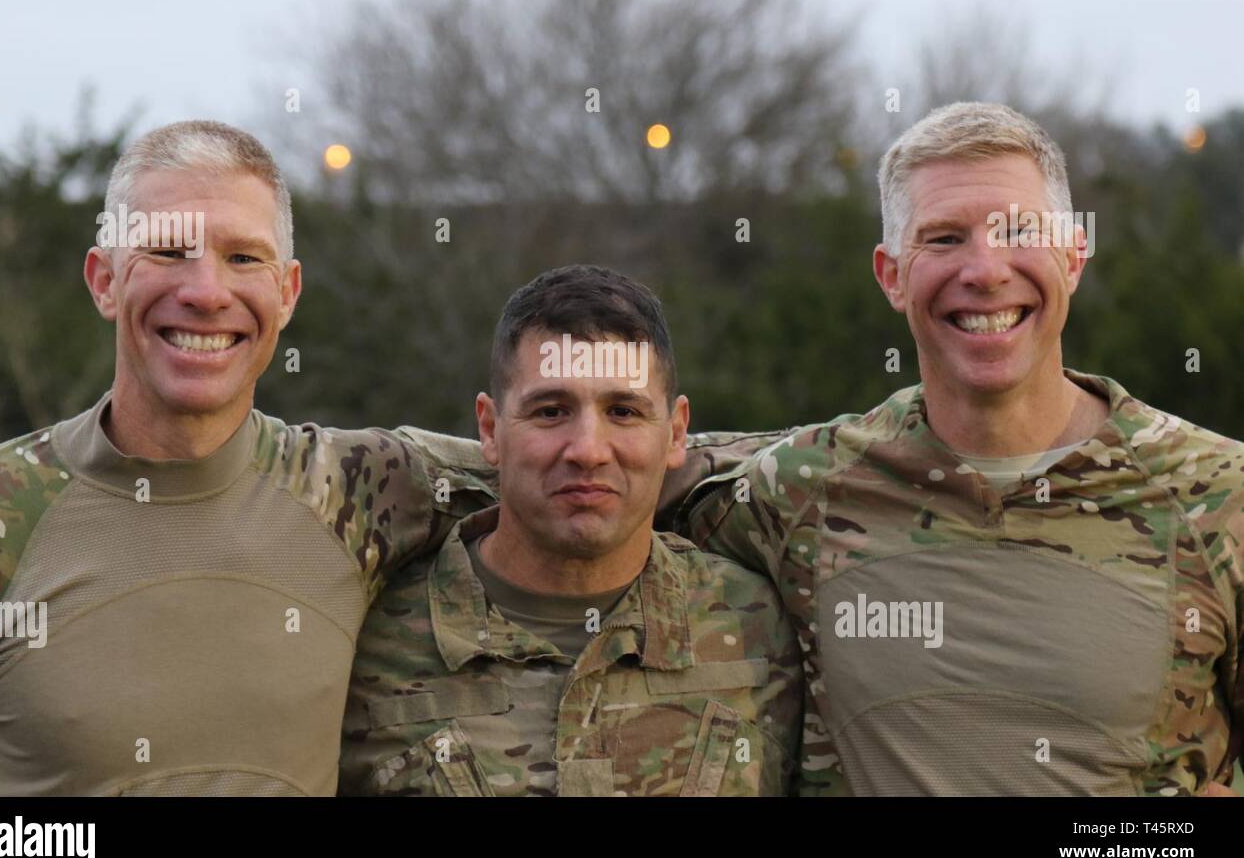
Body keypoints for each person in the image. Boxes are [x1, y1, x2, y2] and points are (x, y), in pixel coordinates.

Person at [670, 102, 1243, 795]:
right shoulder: (799, 491)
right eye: (943, 239)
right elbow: (597, 467)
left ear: (1073, 256)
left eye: (1018, 231)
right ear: (891, 275)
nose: (985, 270)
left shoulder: (1218, 497)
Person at [0, 121, 489, 795]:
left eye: (243, 258)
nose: (206, 291)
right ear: (105, 280)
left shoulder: (363, 489)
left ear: (287, 293)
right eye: (169, 251)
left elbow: (586, 472)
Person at [339, 265, 802, 795]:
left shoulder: (760, 629)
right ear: (490, 429)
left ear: (676, 434)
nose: (586, 449)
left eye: (624, 411)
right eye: (551, 410)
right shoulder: (370, 641)